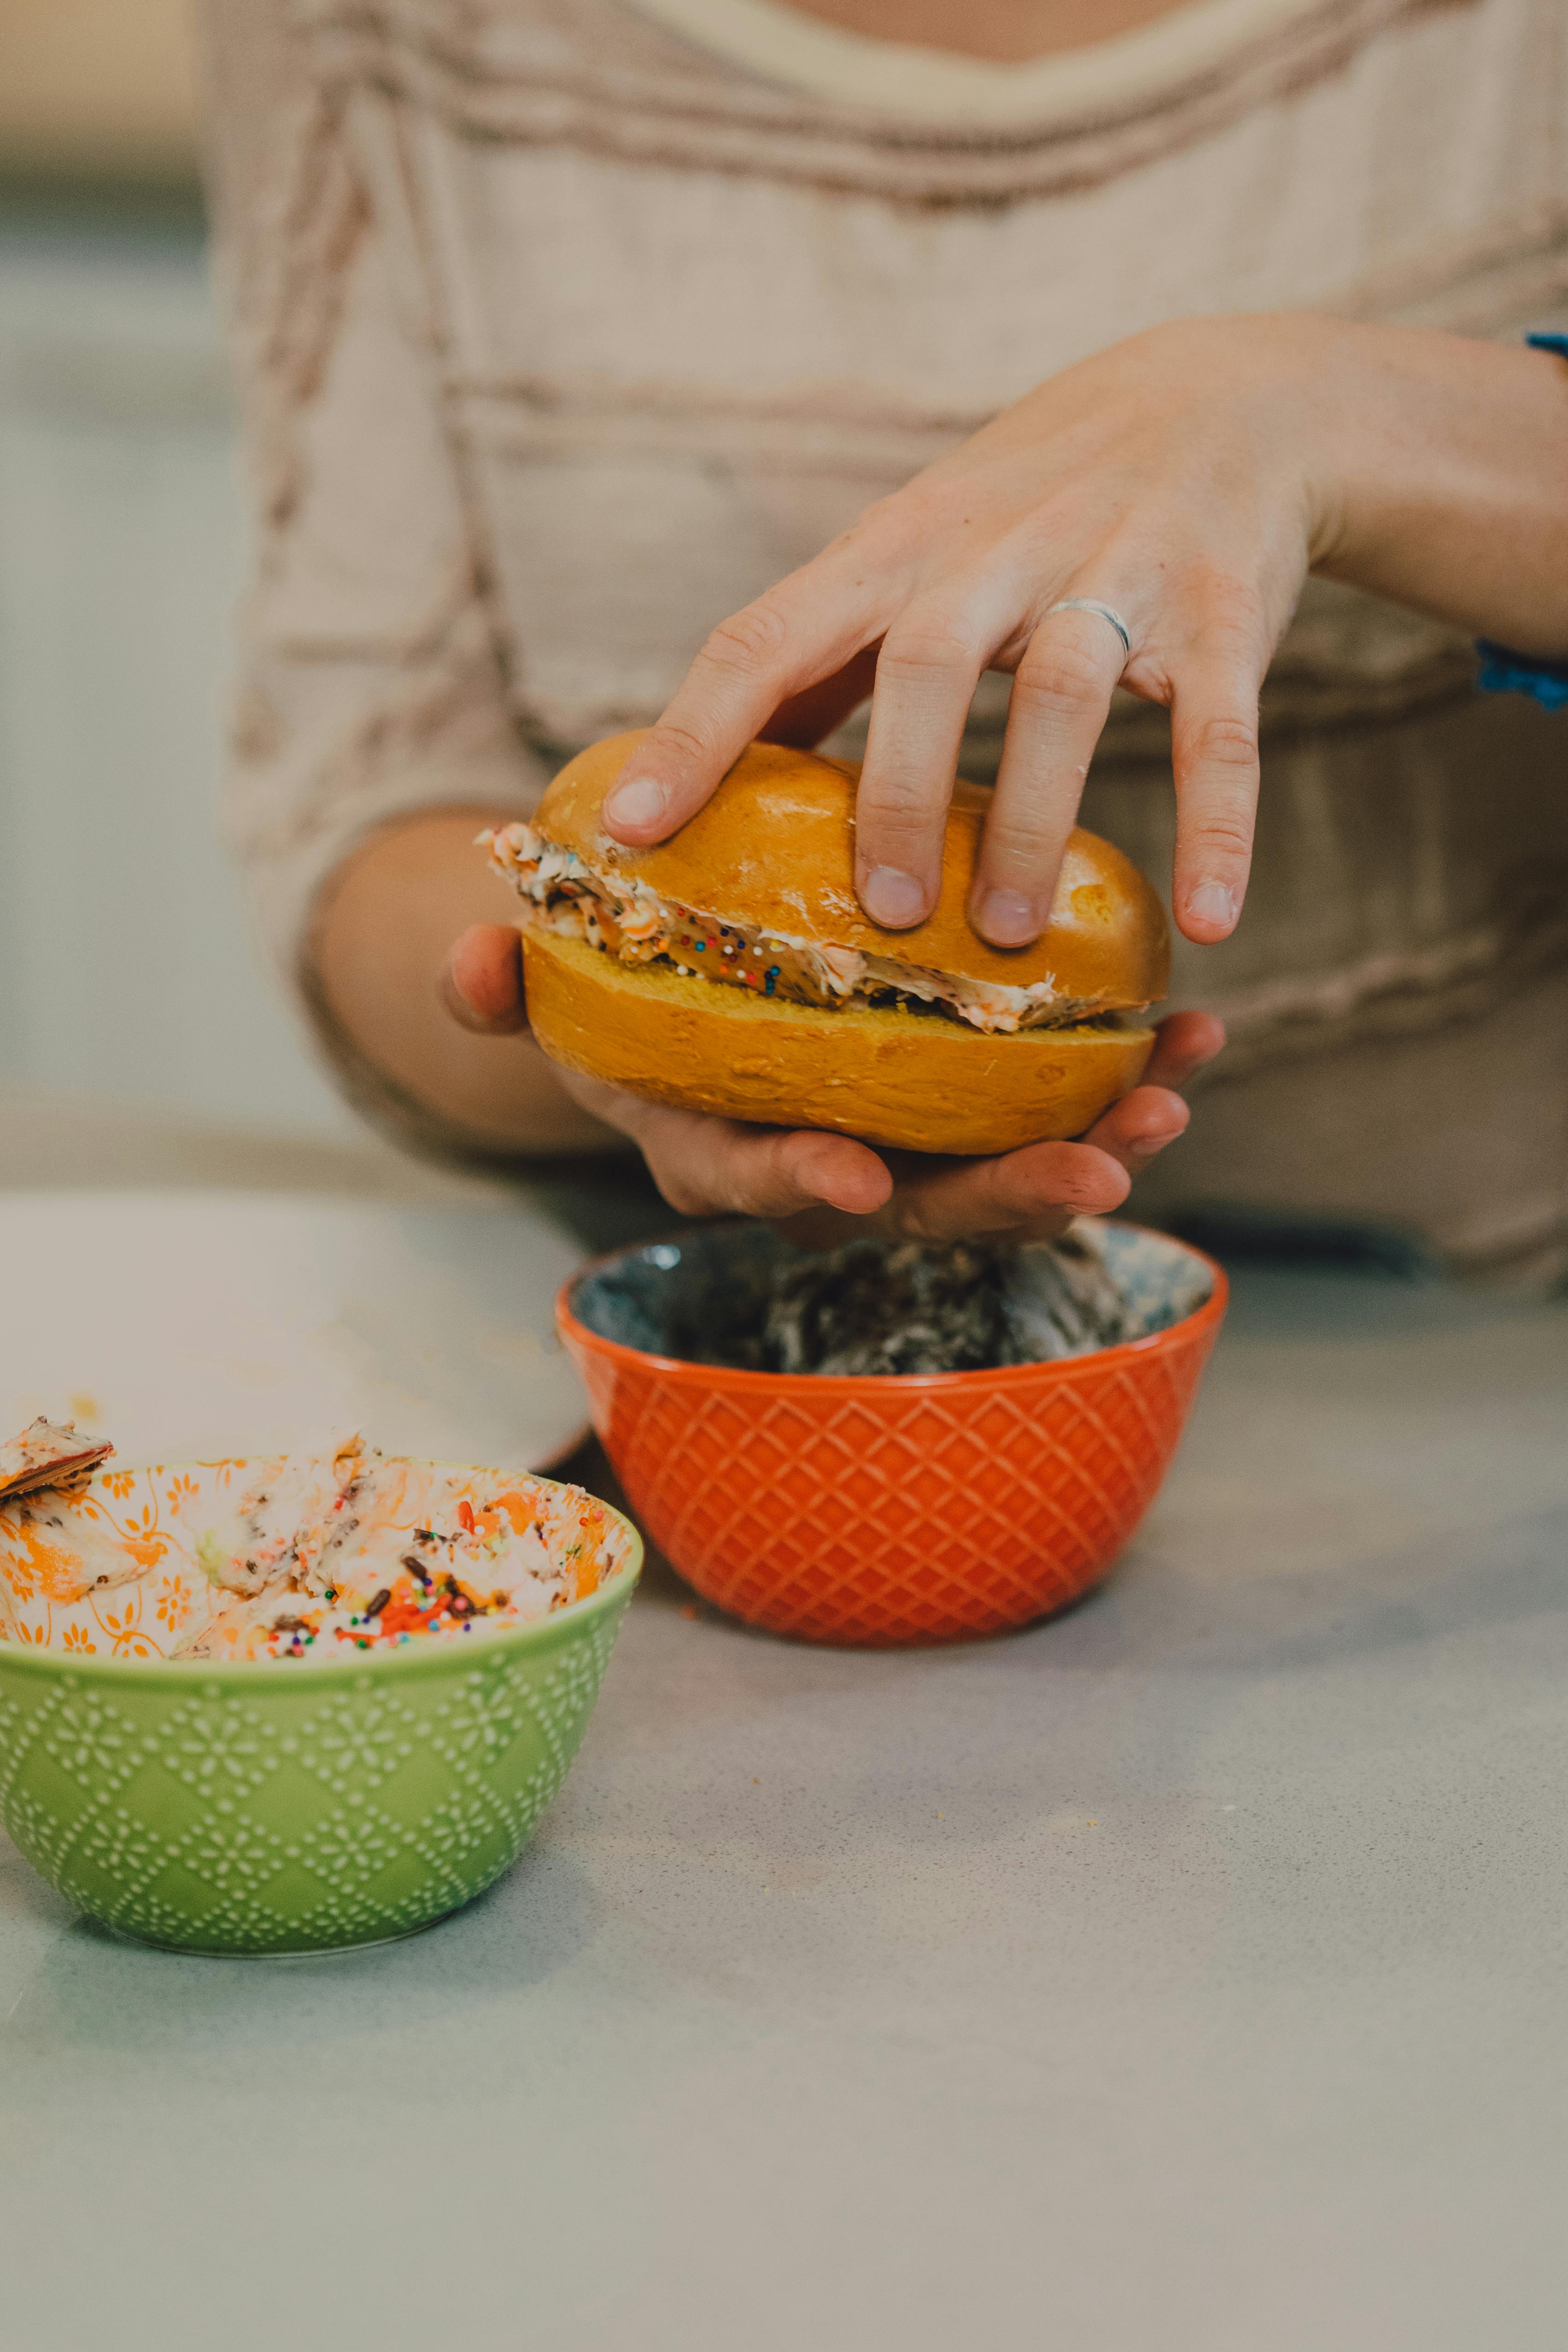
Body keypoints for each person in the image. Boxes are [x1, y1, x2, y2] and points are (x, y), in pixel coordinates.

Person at [205, 0, 1568, 1275]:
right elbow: (366, 801)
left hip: (1496, 1324)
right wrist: (627, 1034)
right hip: (710, 1330)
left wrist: (1320, 414)